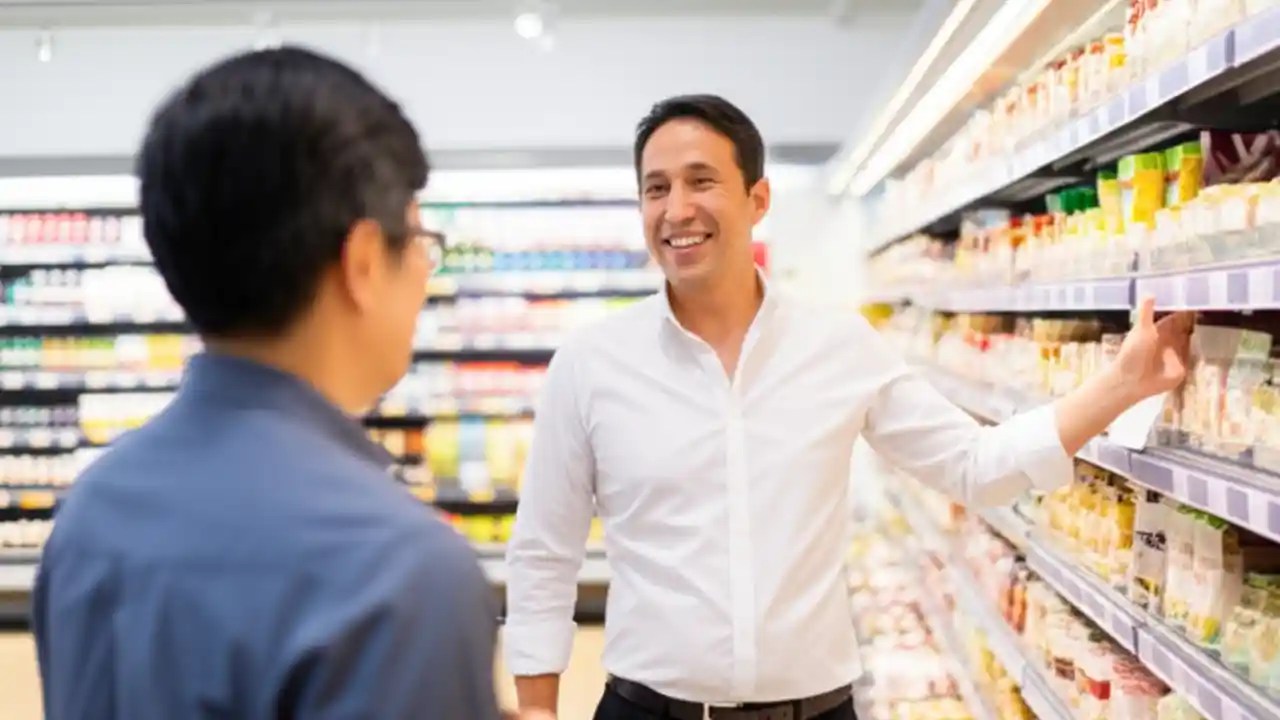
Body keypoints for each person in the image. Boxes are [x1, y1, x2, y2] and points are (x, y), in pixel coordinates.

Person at [504, 94, 1193, 720]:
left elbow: (974, 466)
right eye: (656, 189)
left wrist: (1122, 385)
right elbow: (543, 552)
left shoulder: (836, 347)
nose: (676, 208)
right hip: (646, 711)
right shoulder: (593, 363)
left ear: (758, 197)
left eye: (701, 180)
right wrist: (537, 712)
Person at [32, 47, 506, 719]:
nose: (426, 274)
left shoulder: (93, 510)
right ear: (365, 260)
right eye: (422, 242)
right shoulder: (402, 571)